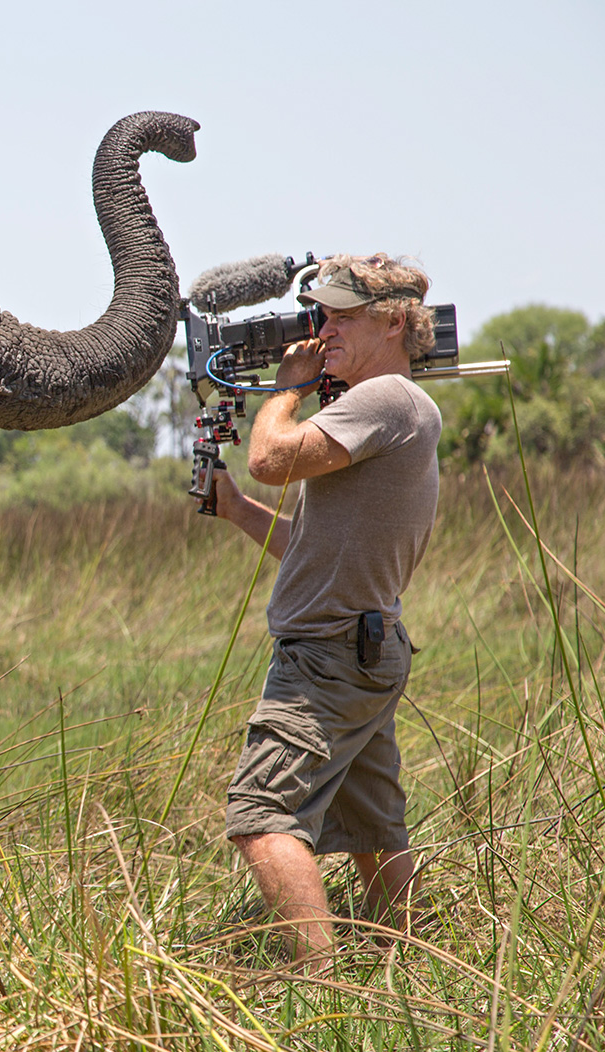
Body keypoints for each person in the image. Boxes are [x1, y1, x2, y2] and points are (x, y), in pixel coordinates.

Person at [210, 253, 441, 969]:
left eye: (343, 317)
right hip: (361, 645)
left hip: (330, 655)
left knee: (263, 818)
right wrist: (235, 511)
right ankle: (412, 962)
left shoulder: (386, 400)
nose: (324, 329)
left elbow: (271, 457)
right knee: (372, 829)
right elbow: (311, 546)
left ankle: (321, 988)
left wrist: (286, 392)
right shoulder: (379, 412)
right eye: (322, 314)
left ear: (395, 322)